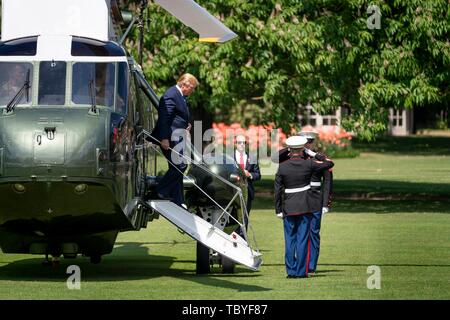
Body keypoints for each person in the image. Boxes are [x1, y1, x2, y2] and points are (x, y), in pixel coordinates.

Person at [274, 135, 334, 279]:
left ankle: (291, 271)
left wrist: (278, 210)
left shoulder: (282, 167)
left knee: (289, 240)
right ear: (302, 149)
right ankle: (301, 272)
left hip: (288, 207)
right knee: (302, 239)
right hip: (305, 206)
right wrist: (313, 154)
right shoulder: (309, 164)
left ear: (290, 149)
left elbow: (277, 190)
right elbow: (329, 163)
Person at [149, 73, 199, 207]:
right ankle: (160, 191)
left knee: (177, 167)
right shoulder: (171, 95)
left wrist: (185, 125)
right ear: (184, 85)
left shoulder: (181, 96)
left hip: (177, 136)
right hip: (170, 138)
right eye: (192, 88)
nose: (192, 91)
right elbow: (165, 118)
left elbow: (177, 117)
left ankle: (178, 200)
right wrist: (164, 138)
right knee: (180, 165)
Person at [299, 131, 333, 275]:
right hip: (300, 198)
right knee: (300, 232)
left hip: (315, 198)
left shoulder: (322, 159)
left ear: (313, 142)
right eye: (305, 142)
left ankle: (311, 265)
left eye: (310, 142)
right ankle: (301, 262)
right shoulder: (295, 158)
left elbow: (328, 183)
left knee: (313, 232)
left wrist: (325, 204)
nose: (308, 144)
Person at [234, 134, 261, 230]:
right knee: (233, 218)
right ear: (235, 144)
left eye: (243, 142)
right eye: (239, 142)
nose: (241, 144)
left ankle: (243, 242)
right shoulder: (229, 158)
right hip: (232, 192)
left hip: (247, 193)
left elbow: (258, 175)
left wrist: (249, 174)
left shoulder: (252, 157)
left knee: (244, 219)